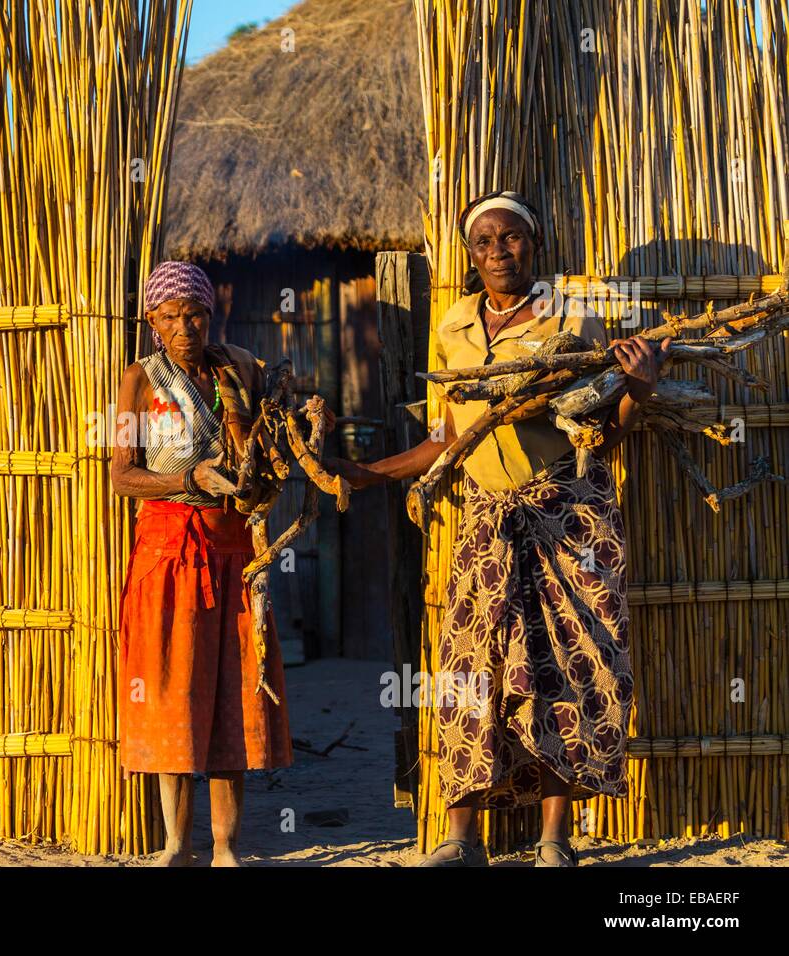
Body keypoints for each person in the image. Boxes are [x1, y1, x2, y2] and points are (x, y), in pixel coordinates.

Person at [327, 191, 671, 867]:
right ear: (470, 254)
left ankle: (554, 839)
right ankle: (462, 840)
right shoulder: (454, 325)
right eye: (483, 242)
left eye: (510, 238)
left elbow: (600, 429)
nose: (497, 252)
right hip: (488, 521)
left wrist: (641, 388)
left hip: (566, 518)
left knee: (569, 667)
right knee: (471, 672)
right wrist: (369, 473)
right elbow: (447, 435)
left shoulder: (572, 319)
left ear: (534, 245)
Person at [110, 260, 292, 867]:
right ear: (152, 323)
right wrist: (188, 476)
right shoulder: (138, 380)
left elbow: (268, 451)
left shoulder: (237, 370)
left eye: (195, 314)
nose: (185, 326)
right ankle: (173, 846)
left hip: (235, 547)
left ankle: (225, 848)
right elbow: (121, 474)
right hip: (168, 552)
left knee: (236, 693)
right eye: (170, 317)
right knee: (172, 692)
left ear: (211, 316)